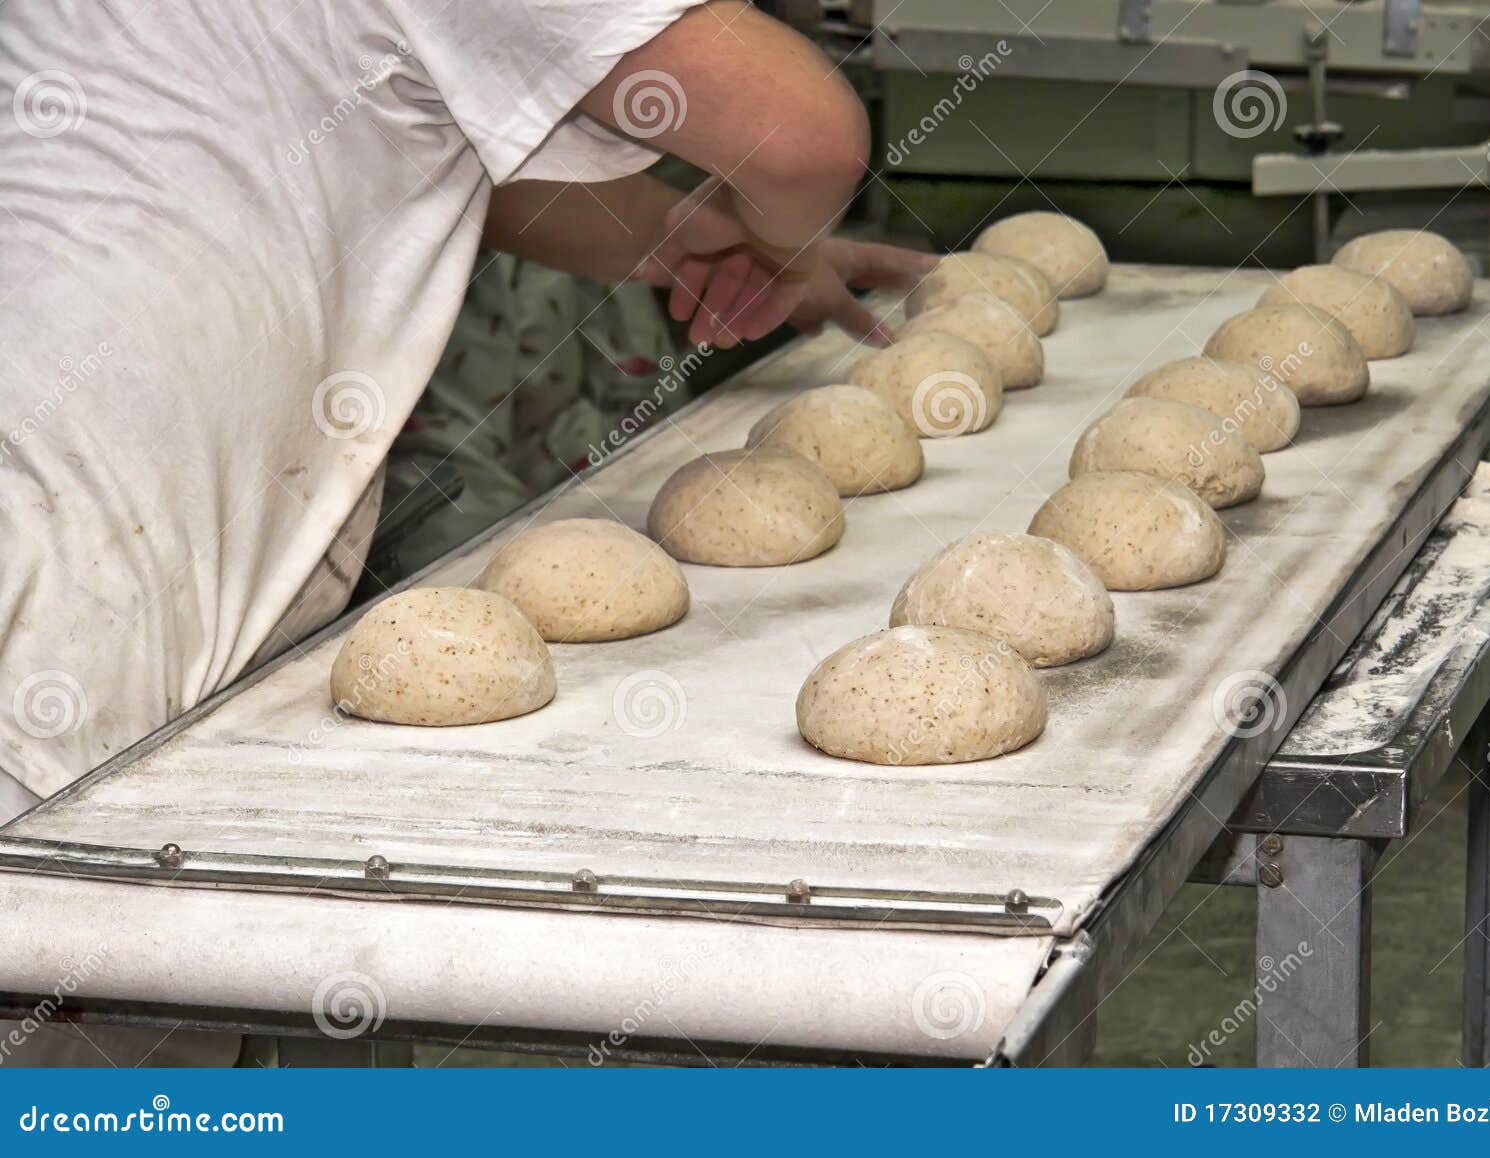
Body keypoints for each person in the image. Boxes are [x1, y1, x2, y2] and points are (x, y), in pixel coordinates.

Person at [0, 0, 929, 1063]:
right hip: (60, 643)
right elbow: (801, 132)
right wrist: (777, 230)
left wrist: (706, 245)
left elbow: (426, 148)